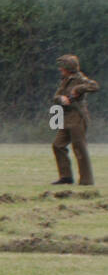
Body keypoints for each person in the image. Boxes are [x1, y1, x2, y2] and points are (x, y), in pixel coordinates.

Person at [51, 54, 98, 186]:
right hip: (66, 117)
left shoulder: (79, 78)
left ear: (68, 67)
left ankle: (86, 180)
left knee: (79, 148)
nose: (60, 69)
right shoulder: (65, 80)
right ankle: (66, 177)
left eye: (62, 66)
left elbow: (94, 86)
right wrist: (61, 99)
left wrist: (78, 89)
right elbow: (56, 97)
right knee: (58, 145)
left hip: (78, 117)